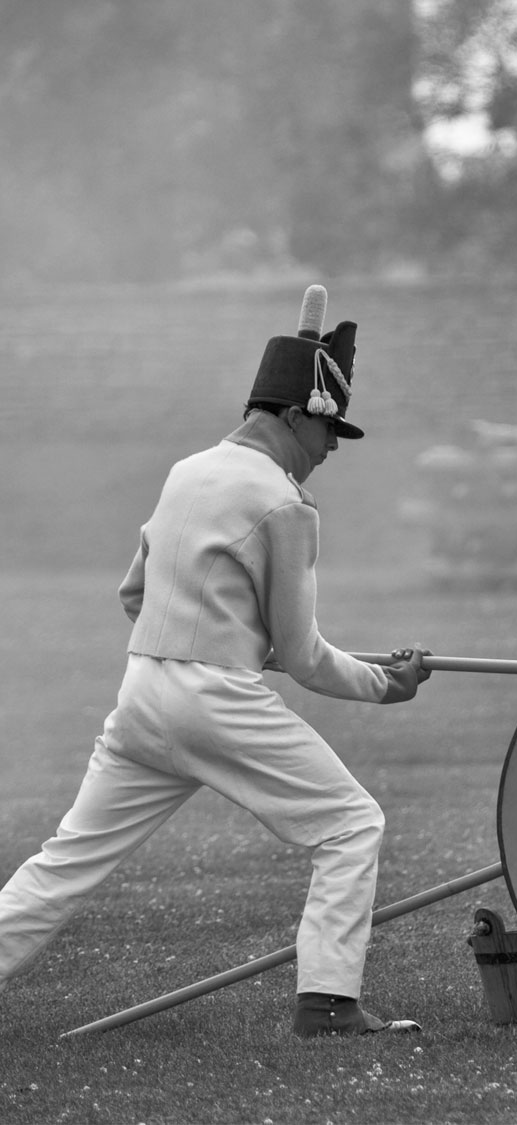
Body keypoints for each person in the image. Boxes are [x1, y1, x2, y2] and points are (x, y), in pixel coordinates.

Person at [0, 286, 433, 1036]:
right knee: (352, 824)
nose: (332, 449)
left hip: (141, 689)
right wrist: (385, 685)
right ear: (297, 414)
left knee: (65, 860)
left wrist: (226, 636)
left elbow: (134, 594)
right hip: (213, 700)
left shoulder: (186, 470)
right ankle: (328, 1000)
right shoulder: (286, 503)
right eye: (330, 431)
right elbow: (302, 657)